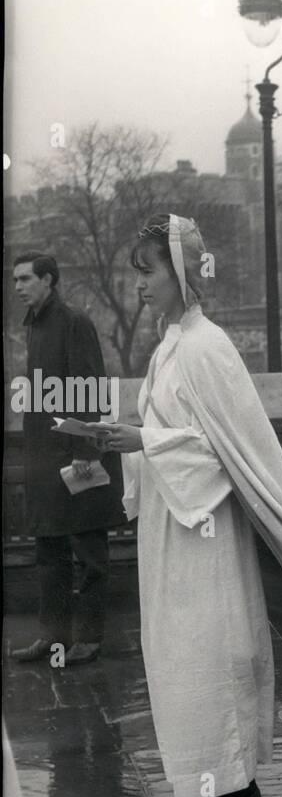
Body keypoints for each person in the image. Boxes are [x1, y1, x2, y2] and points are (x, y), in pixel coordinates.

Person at [96, 214, 272, 797]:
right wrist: (136, 444)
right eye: (137, 274)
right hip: (171, 524)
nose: (139, 285)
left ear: (180, 272)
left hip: (204, 528)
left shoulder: (205, 346)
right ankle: (200, 784)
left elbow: (224, 448)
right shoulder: (171, 343)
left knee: (208, 651)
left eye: (148, 273)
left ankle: (231, 788)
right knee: (177, 654)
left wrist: (142, 440)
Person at [10, 253, 123, 666]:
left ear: (49, 280)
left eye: (26, 279)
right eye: (16, 280)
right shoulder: (35, 324)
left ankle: (89, 639)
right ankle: (53, 639)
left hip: (74, 460)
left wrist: (84, 452)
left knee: (90, 552)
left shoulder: (74, 321)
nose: (18, 286)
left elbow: (90, 386)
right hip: (44, 459)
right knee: (50, 555)